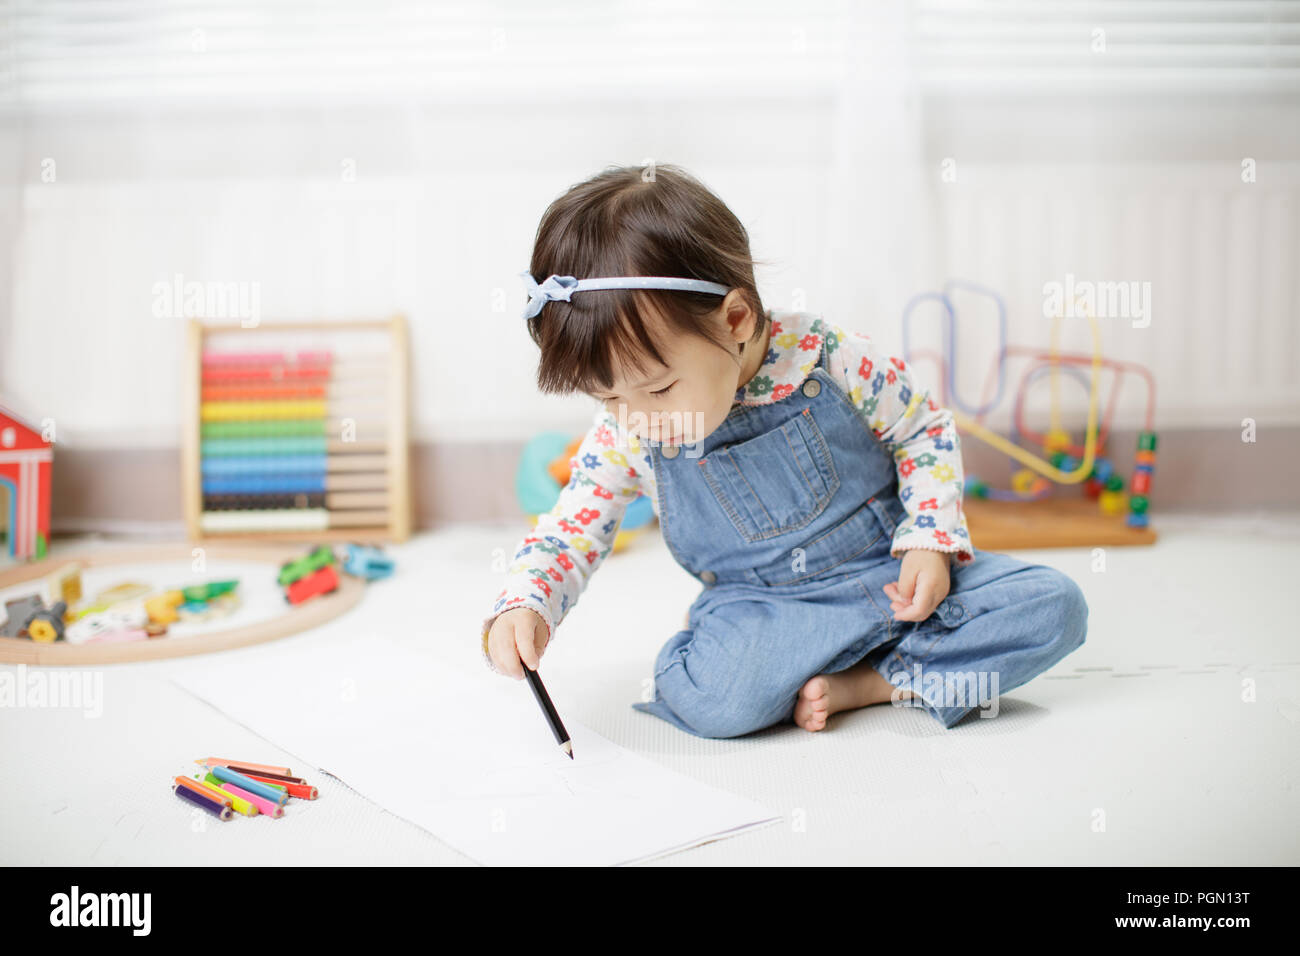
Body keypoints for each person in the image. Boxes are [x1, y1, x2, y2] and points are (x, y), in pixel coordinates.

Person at [481, 163, 1088, 738]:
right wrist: (527, 602)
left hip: (893, 579)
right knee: (714, 700)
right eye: (608, 399)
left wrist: (929, 538)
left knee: (1052, 607)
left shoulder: (833, 358)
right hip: (769, 612)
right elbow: (571, 529)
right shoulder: (627, 431)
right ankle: (806, 658)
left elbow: (923, 429)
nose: (637, 418)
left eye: (660, 389)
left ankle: (875, 683)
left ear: (737, 319)